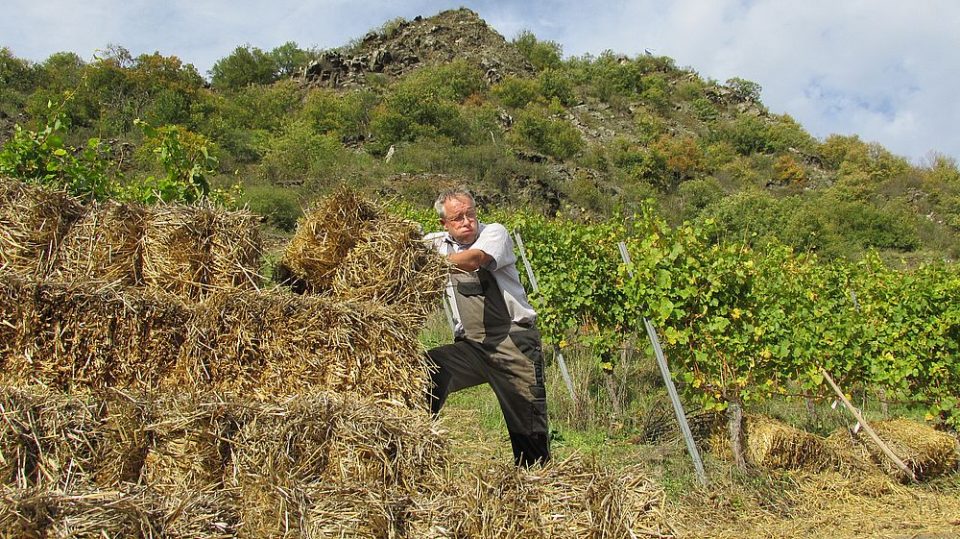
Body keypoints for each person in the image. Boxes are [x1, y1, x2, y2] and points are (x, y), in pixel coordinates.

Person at [424, 188, 550, 466]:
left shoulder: (494, 233)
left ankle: (535, 485)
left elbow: (475, 260)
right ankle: (415, 441)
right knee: (425, 371)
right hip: (472, 347)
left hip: (513, 345)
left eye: (471, 213)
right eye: (458, 217)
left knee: (529, 434)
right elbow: (400, 252)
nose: (467, 221)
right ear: (443, 224)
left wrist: (427, 265)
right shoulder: (435, 244)